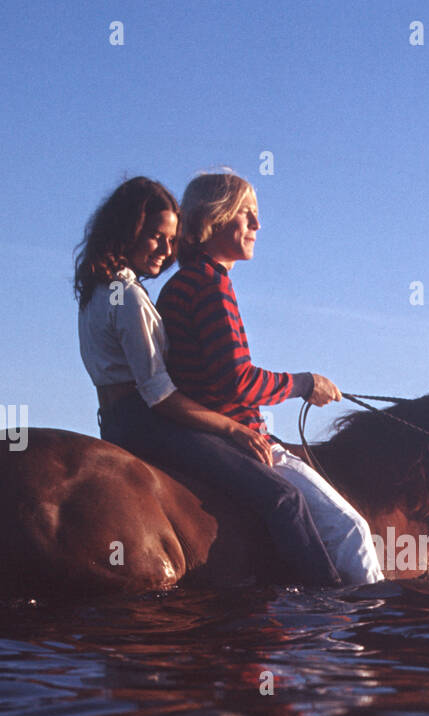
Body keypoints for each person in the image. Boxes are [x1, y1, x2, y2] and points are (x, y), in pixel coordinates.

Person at [74, 176, 345, 585]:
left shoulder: (95, 293)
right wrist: (234, 428)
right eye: (153, 237)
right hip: (147, 422)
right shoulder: (130, 298)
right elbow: (161, 396)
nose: (166, 250)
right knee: (284, 497)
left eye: (170, 239)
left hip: (112, 422)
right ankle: (327, 605)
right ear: (124, 232)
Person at [157, 171, 384, 586]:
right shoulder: (211, 284)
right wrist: (304, 383)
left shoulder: (179, 285)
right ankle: (364, 638)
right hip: (237, 437)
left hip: (203, 438)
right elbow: (237, 382)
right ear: (216, 218)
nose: (257, 226)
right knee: (352, 531)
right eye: (247, 215)